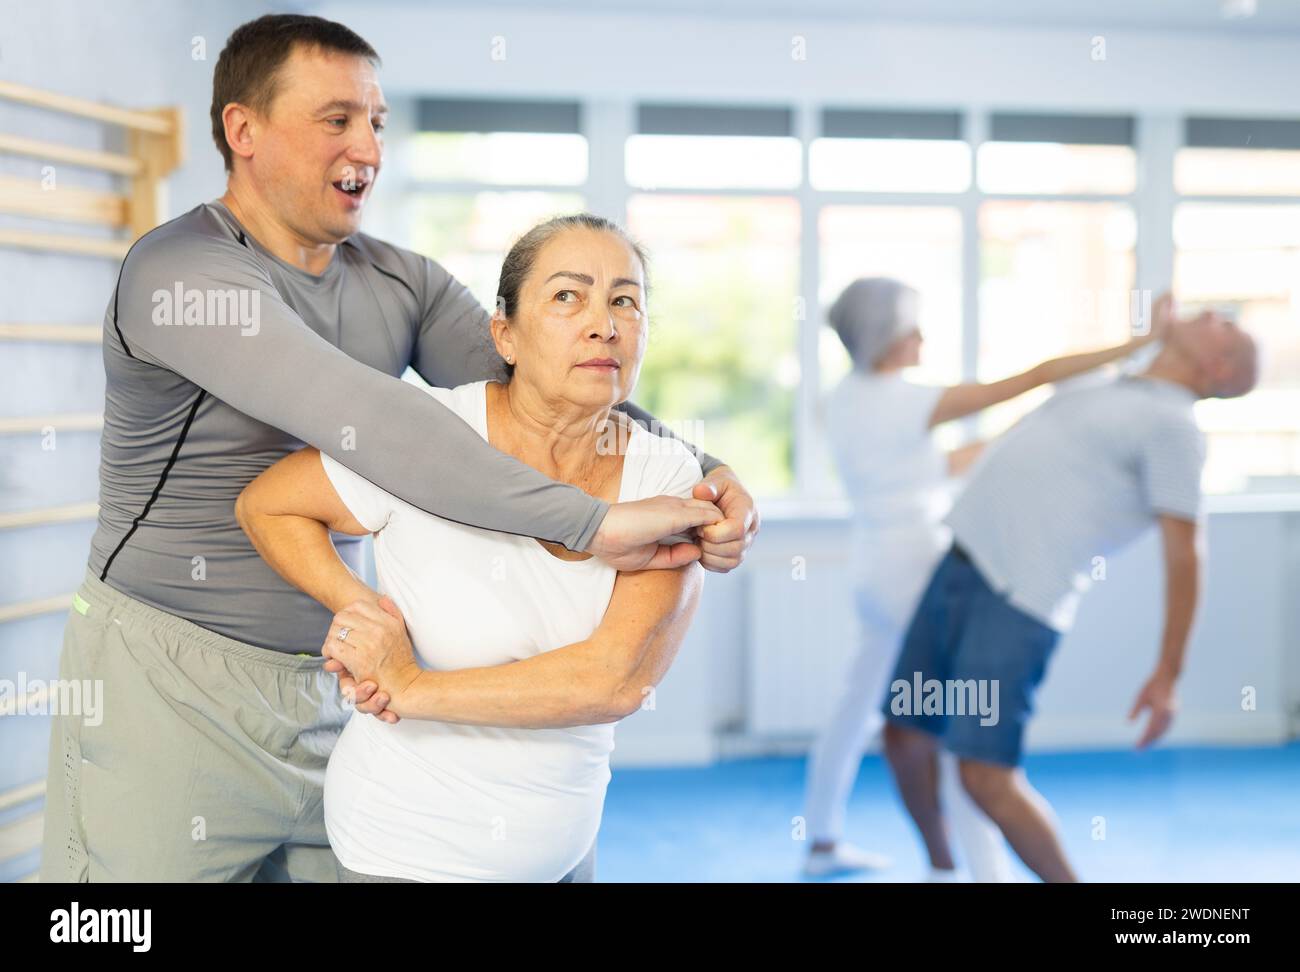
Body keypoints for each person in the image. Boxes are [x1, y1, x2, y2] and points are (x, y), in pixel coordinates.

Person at [40, 14, 758, 884]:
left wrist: (710, 476)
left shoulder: (400, 280)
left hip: (340, 679)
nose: (368, 147)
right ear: (245, 131)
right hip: (171, 674)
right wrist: (590, 523)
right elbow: (372, 421)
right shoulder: (180, 274)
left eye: (376, 122)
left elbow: (559, 381)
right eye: (337, 118)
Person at [236, 213, 708, 882]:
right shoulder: (427, 435)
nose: (603, 323)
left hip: (564, 848)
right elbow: (269, 503)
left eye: (624, 300)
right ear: (505, 334)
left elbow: (614, 680)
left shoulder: (666, 477)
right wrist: (365, 612)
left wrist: (413, 686)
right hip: (403, 848)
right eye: (567, 296)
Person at [803, 277, 1170, 880]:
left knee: (859, 708)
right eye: (911, 327)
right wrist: (1140, 341)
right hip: (914, 568)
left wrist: (1023, 432)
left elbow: (925, 468)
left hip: (872, 571)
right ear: (887, 341)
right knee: (956, 732)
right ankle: (979, 872)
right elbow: (1037, 374)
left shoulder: (846, 399)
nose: (922, 336)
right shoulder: (907, 400)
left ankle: (821, 839)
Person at [880, 304, 1257, 883]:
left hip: (1016, 601)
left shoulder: (1175, 428)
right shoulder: (1105, 382)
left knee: (984, 774)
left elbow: (1186, 552)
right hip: (959, 565)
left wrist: (1169, 673)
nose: (1210, 312)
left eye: (1224, 324)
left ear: (1218, 365)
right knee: (905, 734)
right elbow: (1038, 389)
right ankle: (943, 869)